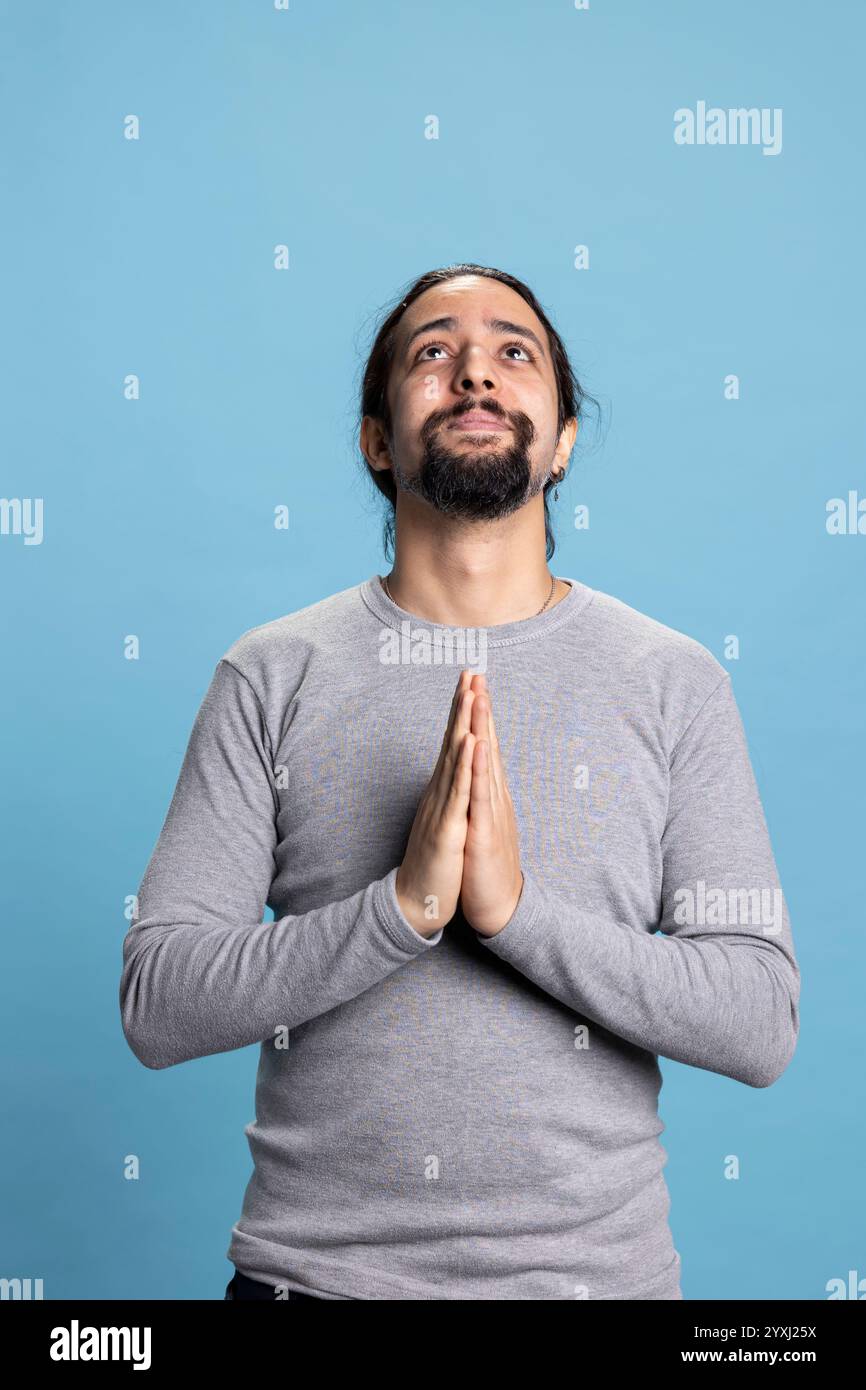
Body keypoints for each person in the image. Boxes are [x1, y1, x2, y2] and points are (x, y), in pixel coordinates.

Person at [120, 263, 800, 1301]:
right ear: (376, 439)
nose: (474, 370)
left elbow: (757, 1023)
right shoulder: (268, 673)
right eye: (432, 352)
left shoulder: (672, 681)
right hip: (312, 1288)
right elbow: (159, 1004)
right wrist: (401, 909)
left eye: (512, 352)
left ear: (563, 438)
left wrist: (515, 916)